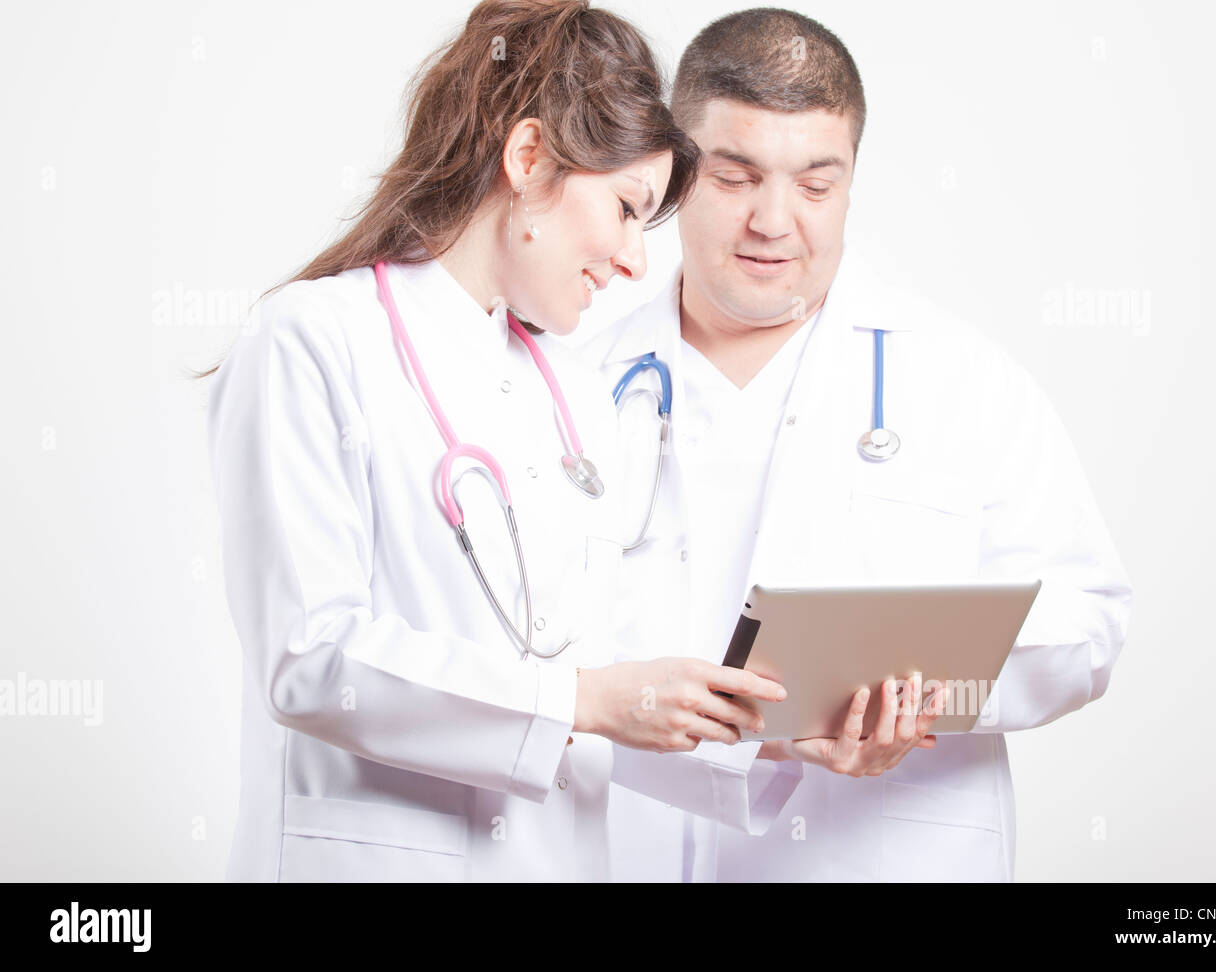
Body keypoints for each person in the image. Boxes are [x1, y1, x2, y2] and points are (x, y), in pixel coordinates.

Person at [201, 0, 793, 883]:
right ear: (528, 160)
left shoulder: (578, 396)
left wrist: (771, 739)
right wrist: (585, 698)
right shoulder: (310, 341)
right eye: (628, 209)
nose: (637, 261)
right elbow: (311, 657)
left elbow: (586, 707)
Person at [582, 7, 1133, 882]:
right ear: (678, 173)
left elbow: (1089, 624)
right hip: (620, 849)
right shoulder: (571, 376)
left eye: (815, 183)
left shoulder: (964, 382)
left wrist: (924, 691)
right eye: (736, 177)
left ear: (850, 181)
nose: (774, 220)